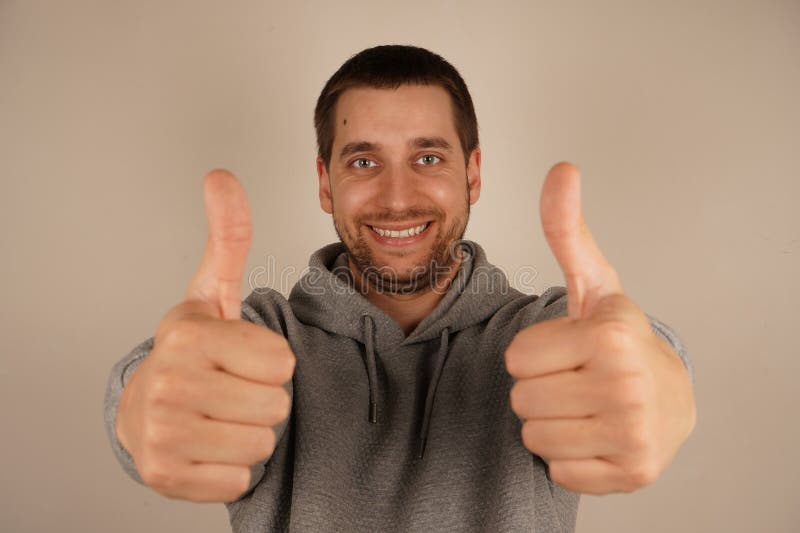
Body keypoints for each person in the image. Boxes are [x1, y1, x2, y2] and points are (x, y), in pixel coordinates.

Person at [104, 45, 696, 532]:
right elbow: (163, 380)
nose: (395, 198)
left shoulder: (544, 337)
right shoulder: (261, 341)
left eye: (428, 157)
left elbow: (632, 354)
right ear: (325, 184)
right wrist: (140, 410)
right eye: (363, 163)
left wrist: (660, 381)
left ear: (473, 173)